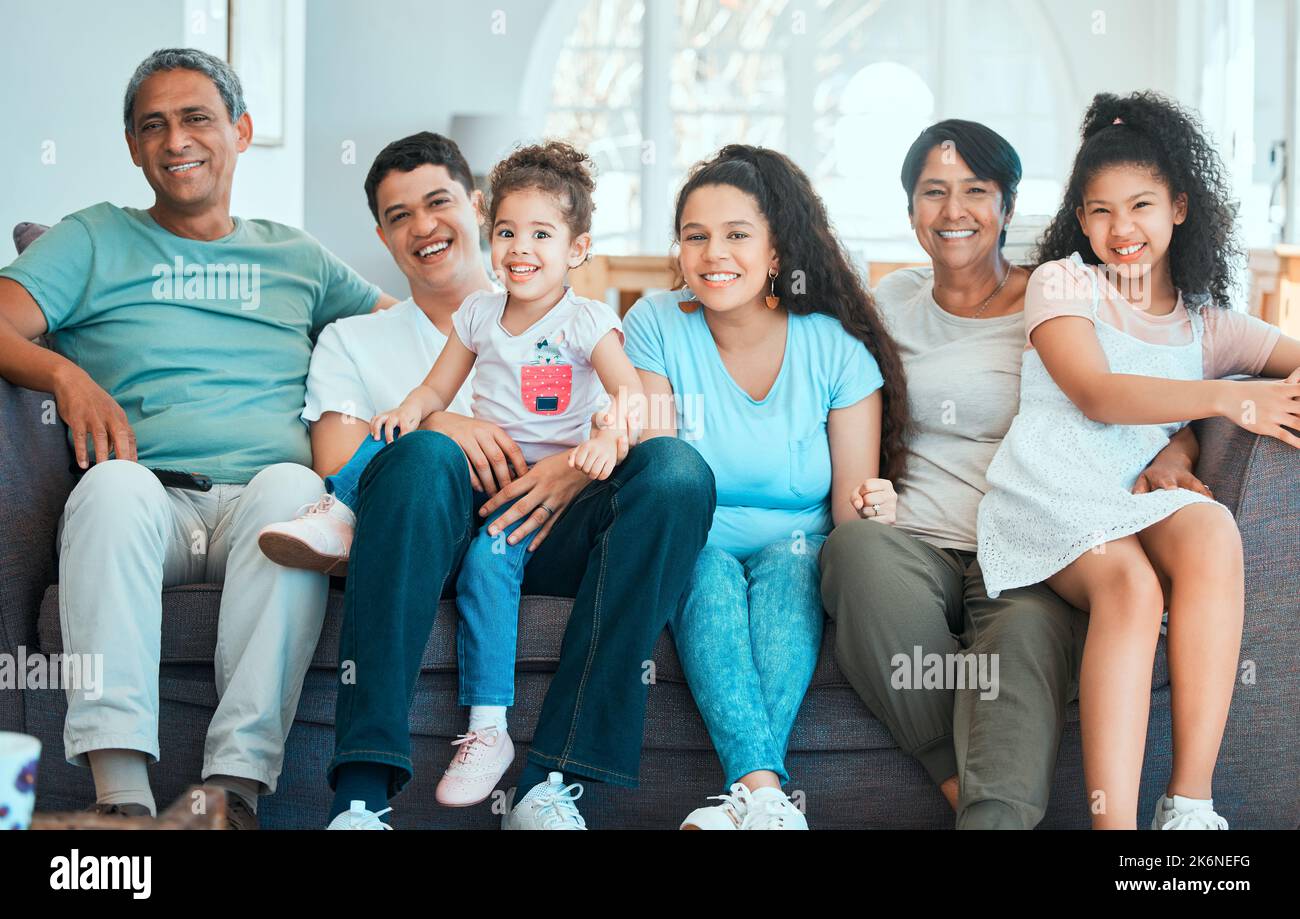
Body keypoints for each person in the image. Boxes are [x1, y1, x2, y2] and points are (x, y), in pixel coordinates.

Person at [0, 48, 393, 829]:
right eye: (154, 124)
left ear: (240, 132)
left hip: (263, 500)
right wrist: (66, 376)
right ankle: (122, 799)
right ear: (133, 146)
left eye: (195, 118)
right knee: (109, 486)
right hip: (147, 494)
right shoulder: (94, 238)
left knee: (294, 491)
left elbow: (406, 332)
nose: (175, 138)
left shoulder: (297, 257)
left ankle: (232, 795)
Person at [819, 118, 1211, 829]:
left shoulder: (1065, 295)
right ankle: (959, 782)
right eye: (933, 192)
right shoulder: (890, 303)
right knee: (853, 551)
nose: (954, 210)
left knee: (1023, 642)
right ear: (910, 210)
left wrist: (1175, 448)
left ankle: (992, 817)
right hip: (916, 545)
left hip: (1028, 552)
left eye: (976, 190)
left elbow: (1165, 366)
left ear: (1009, 205)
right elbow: (834, 390)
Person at [262, 142, 643, 815]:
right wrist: (418, 416)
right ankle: (337, 511)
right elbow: (434, 388)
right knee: (409, 441)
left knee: (488, 555)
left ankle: (489, 728)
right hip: (426, 514)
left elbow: (630, 395)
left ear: (577, 248)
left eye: (541, 234)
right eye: (509, 232)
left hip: (532, 503)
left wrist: (608, 436)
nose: (520, 247)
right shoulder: (418, 328)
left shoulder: (587, 321)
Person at [978, 91, 1300, 829]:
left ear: (1179, 208)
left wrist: (1183, 439)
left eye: (1142, 205)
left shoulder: (1207, 324)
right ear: (1079, 217)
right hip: (1051, 492)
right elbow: (1095, 391)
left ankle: (1189, 805)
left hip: (1133, 499)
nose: (1120, 229)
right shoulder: (1065, 284)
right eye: (1099, 210)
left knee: (1214, 527)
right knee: (1132, 585)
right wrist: (1222, 404)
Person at [624, 145, 909, 829]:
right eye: (696, 235)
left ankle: (746, 797)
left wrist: (878, 509)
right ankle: (767, 793)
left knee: (792, 566)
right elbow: (660, 469)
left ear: (777, 251)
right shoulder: (654, 324)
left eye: (736, 235)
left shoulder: (837, 347)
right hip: (692, 537)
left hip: (799, 541)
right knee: (707, 570)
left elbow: (849, 507)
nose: (713, 252)